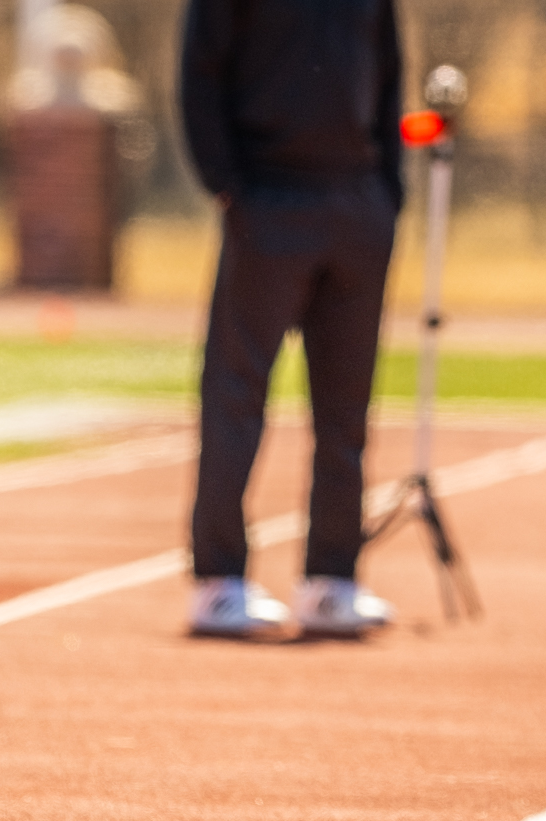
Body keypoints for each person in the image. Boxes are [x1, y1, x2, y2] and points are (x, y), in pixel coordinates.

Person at [177, 0, 405, 637]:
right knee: (235, 395)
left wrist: (387, 191)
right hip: (265, 197)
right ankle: (218, 582)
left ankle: (331, 581)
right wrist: (229, 185)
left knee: (346, 410)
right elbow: (199, 75)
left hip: (358, 204)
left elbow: (389, 75)